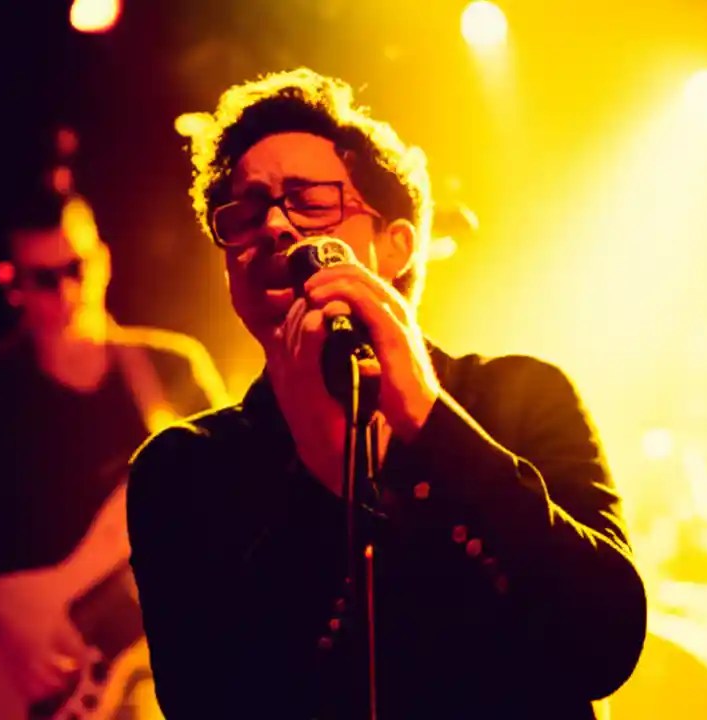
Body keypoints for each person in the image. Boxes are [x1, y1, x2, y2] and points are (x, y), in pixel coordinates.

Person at [125, 67, 647, 719]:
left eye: (309, 200)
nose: (276, 228)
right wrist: (322, 486)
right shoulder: (183, 468)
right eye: (245, 213)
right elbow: (211, 703)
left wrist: (433, 426)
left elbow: (607, 643)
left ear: (394, 246)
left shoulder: (519, 397)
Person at [0, 184, 227, 719]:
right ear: (11, 283)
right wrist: (3, 622)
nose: (63, 292)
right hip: (31, 668)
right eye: (41, 278)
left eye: (74, 269)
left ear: (102, 262)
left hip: (158, 655)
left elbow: (230, 500)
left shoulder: (171, 369)